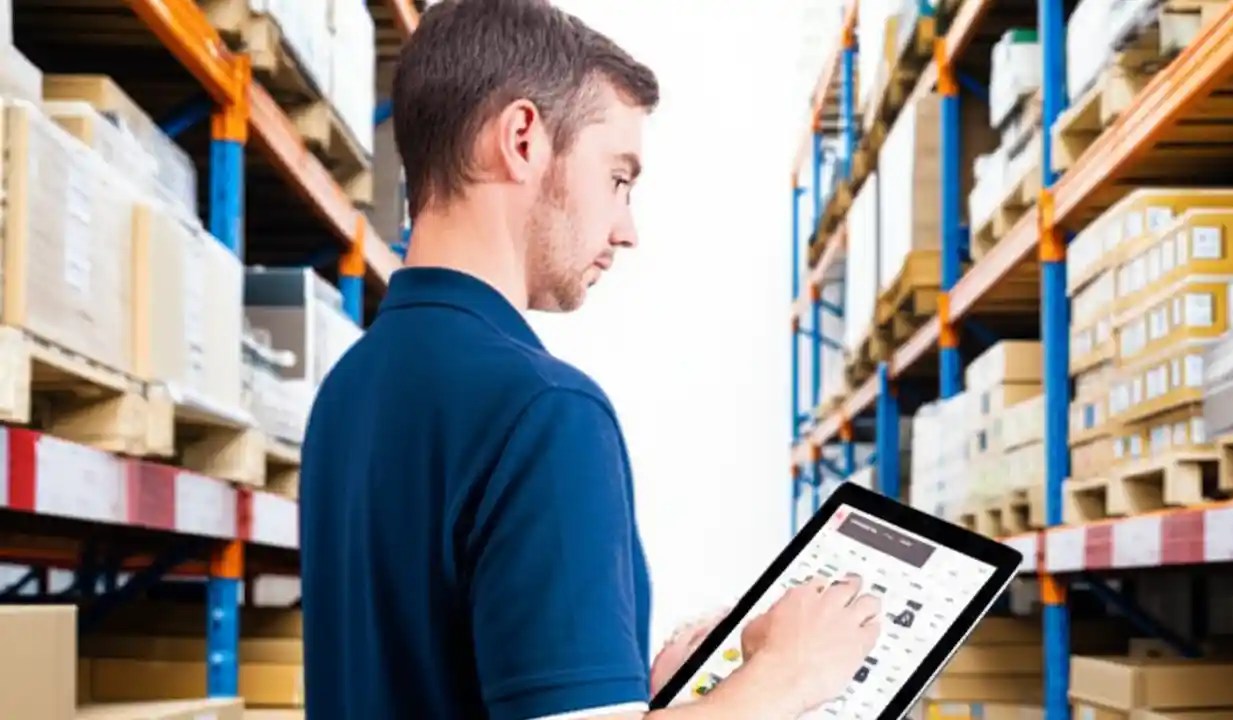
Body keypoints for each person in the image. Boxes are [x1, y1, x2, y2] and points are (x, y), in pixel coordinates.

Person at [299, 0, 884, 718]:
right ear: (522, 140)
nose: (626, 228)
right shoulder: (542, 412)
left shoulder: (348, 390)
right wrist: (791, 673)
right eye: (618, 178)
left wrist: (643, 690)